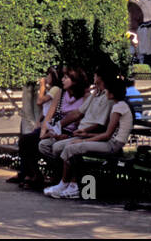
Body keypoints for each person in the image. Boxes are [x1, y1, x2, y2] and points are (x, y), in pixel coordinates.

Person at [45, 70, 134, 199]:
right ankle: (67, 184)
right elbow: (107, 134)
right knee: (71, 146)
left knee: (72, 147)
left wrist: (82, 141)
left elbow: (107, 135)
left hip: (113, 145)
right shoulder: (118, 105)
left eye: (107, 90)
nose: (105, 92)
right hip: (110, 143)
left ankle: (69, 185)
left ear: (112, 93)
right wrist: (86, 135)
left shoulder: (118, 108)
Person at [10, 65, 64, 187]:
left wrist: (42, 86)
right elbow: (44, 110)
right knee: (25, 141)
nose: (46, 77)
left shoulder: (56, 89)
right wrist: (39, 121)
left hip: (50, 126)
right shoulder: (53, 89)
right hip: (43, 123)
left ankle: (33, 174)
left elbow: (40, 101)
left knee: (27, 142)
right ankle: (29, 174)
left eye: (48, 75)